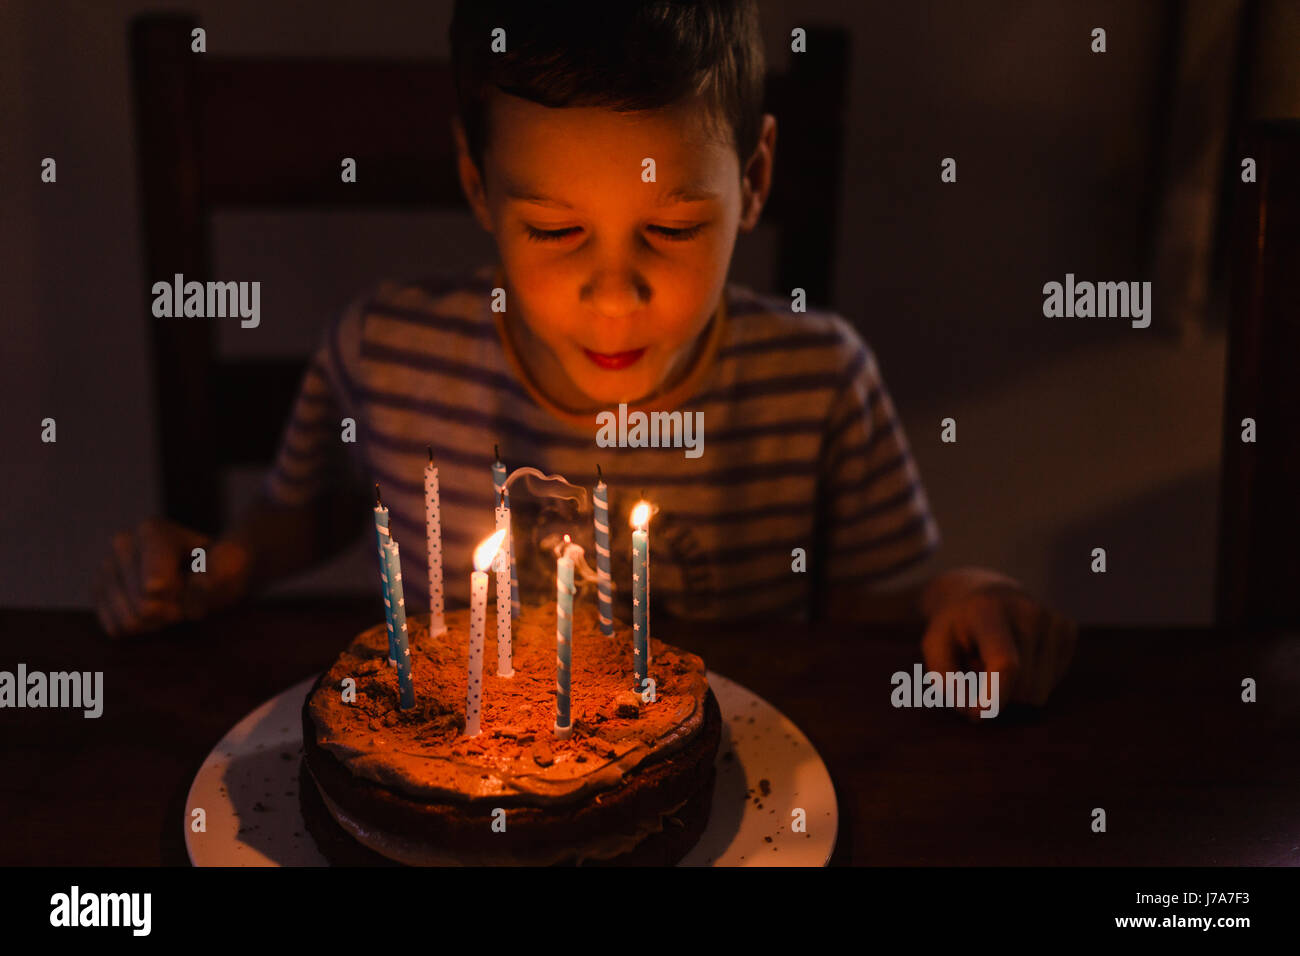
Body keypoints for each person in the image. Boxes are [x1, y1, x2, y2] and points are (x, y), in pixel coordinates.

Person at [94, 0, 1074, 715]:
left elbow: (881, 625)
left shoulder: (817, 383)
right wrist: (212, 565)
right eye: (559, 231)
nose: (616, 293)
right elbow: (299, 517)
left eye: (674, 227)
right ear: (480, 187)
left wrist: (964, 597)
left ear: (758, 177)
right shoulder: (386, 353)